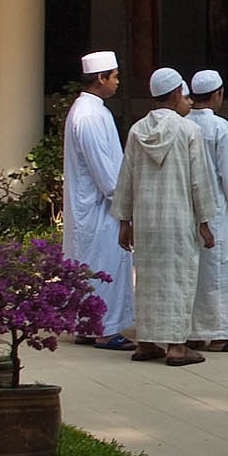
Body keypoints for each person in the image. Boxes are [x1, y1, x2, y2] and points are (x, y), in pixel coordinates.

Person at [121, 66, 228, 365]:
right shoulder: (188, 130)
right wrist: (205, 224)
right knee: (179, 281)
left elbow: (126, 179)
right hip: (179, 220)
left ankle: (145, 342)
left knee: (148, 281)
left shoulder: (137, 130)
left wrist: (124, 222)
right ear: (177, 94)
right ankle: (177, 347)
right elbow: (200, 182)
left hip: (146, 221)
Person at [60, 50, 133, 342]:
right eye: (114, 77)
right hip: (99, 207)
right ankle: (104, 330)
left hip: (99, 206)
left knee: (97, 265)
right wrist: (124, 201)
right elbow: (104, 169)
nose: (117, 82)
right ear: (100, 78)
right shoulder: (89, 115)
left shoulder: (94, 110)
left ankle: (89, 326)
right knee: (104, 265)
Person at [185, 69, 228, 351]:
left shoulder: (184, 124)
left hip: (189, 210)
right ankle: (223, 333)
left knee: (196, 273)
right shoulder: (220, 128)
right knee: (220, 271)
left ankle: (194, 332)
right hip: (216, 210)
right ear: (218, 94)